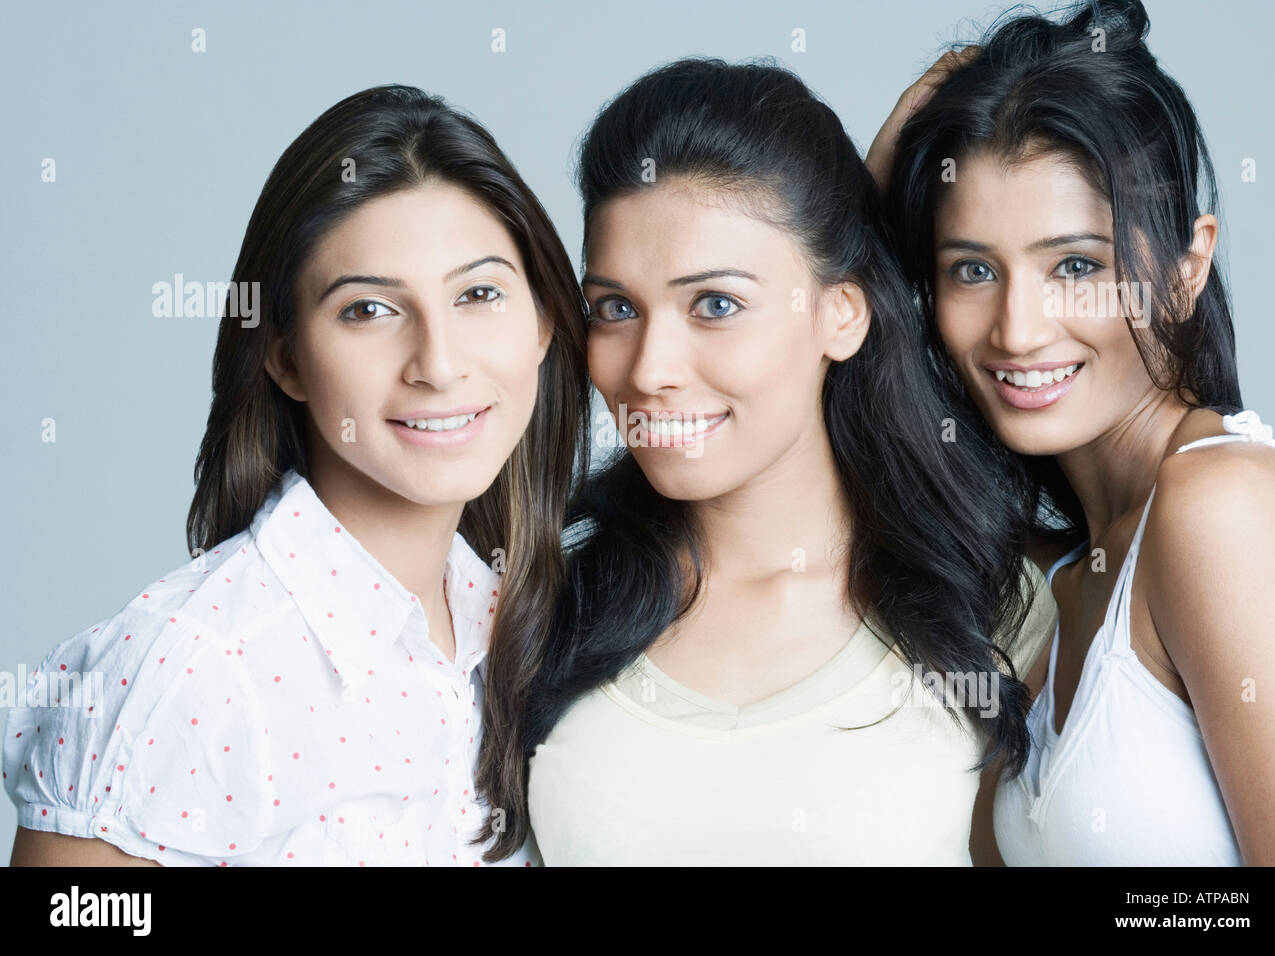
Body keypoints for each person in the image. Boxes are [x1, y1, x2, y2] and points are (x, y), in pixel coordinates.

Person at [472, 57, 1059, 865]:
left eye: (715, 304)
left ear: (842, 315)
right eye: (616, 308)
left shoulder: (995, 612)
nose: (647, 369)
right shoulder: (542, 601)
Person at [4, 85, 588, 866]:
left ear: (544, 323)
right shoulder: (194, 664)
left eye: (479, 295)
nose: (440, 364)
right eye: (368, 310)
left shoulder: (517, 631)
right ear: (285, 358)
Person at [881, 0, 1275, 864]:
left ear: (1186, 271)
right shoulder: (1058, 580)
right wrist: (873, 204)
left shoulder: (1224, 506)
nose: (1019, 329)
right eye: (972, 270)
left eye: (1076, 265)